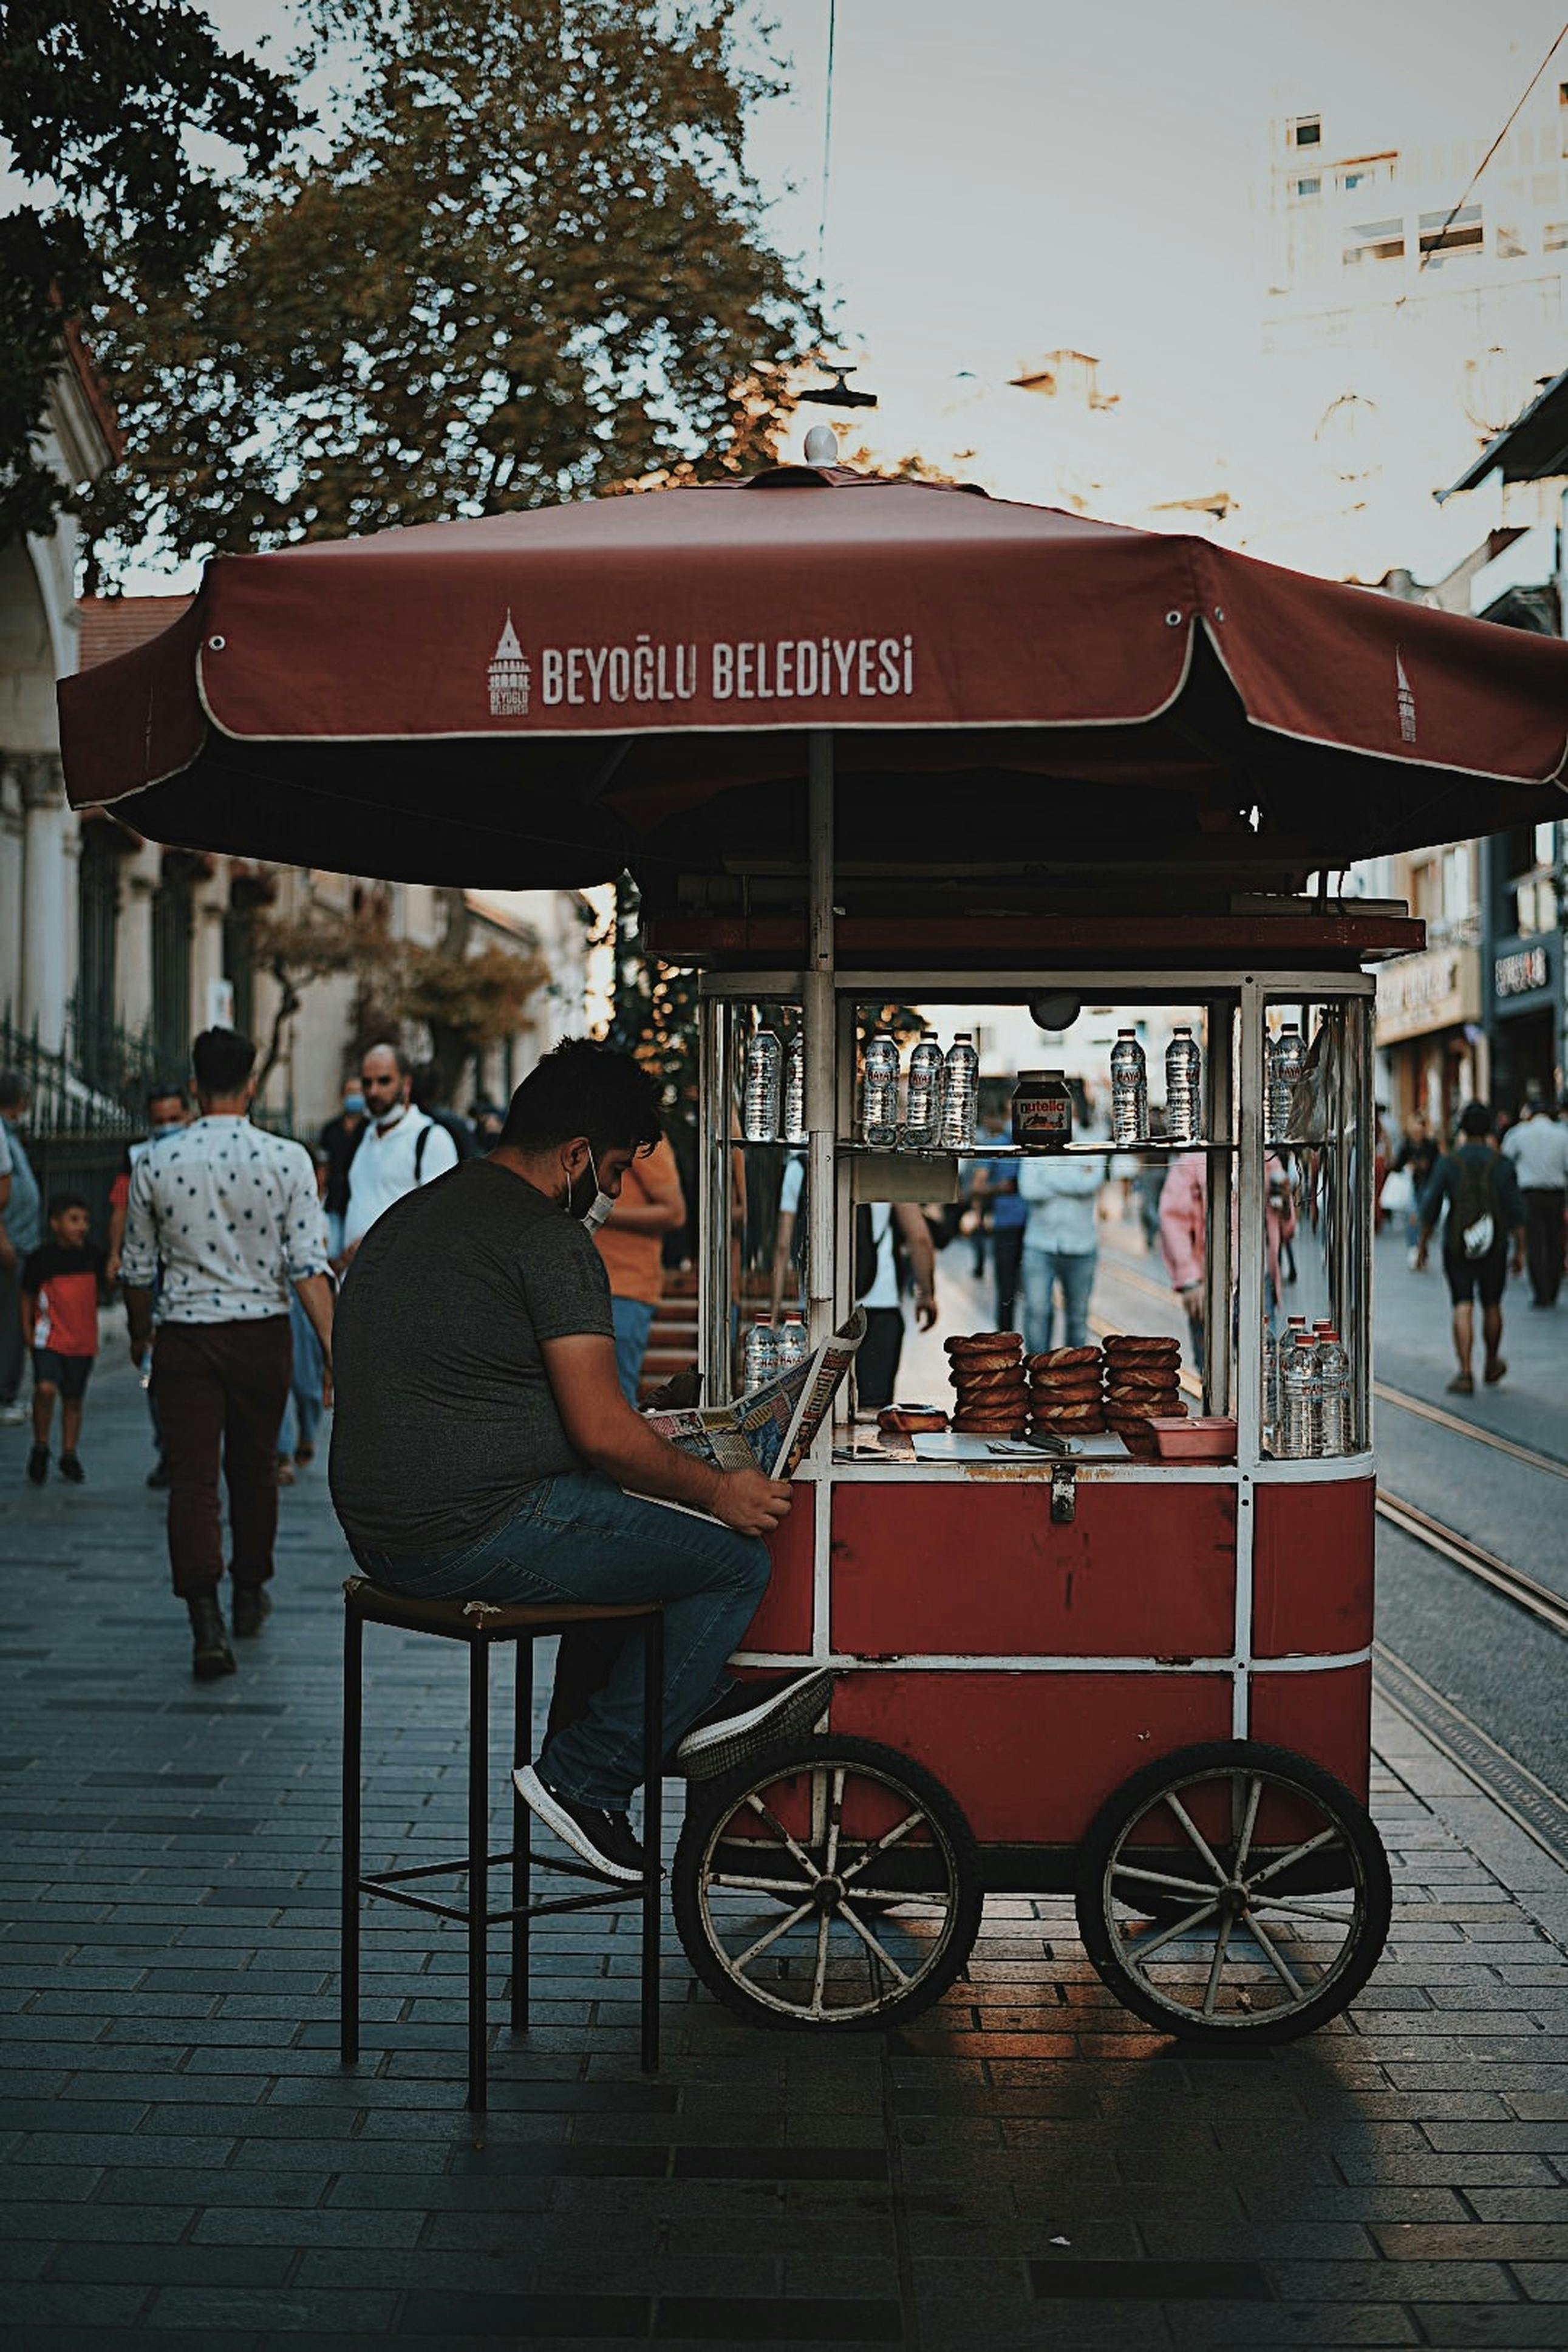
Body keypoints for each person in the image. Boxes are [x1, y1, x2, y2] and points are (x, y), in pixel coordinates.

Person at [329, 1039, 832, 1887]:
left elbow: (518, 1396)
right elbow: (600, 1432)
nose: (614, 1193)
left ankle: (658, 1713)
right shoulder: (547, 1241)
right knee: (728, 1560)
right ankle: (588, 1772)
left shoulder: (415, 1213)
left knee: (638, 1535)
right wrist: (721, 1489)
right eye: (610, 1172)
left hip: (379, 1528)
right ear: (571, 1157)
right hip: (468, 1529)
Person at [121, 1028, 336, 1680]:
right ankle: (249, 1590)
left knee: (191, 1481)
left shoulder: (154, 1162)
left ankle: (203, 1617)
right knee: (253, 1469)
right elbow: (306, 1265)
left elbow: (135, 1268)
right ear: (251, 1087)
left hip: (185, 1336)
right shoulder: (288, 1160)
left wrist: (140, 1337)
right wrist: (334, 1348)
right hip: (260, 1335)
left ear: (192, 1087)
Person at [769, 1154, 937, 1411]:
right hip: (879, 1311)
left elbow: (782, 1248)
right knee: (873, 1412)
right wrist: (926, 1294)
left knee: (817, 1411)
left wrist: (773, 1316)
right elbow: (920, 1239)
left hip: (817, 1310)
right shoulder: (885, 1168)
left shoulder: (801, 1168)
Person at [106, 1080, 191, 1487]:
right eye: (160, 1120)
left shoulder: (202, 1150)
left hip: (192, 1269)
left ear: (189, 1115)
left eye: (175, 1118)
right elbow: (120, 1208)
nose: (167, 1126)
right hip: (153, 1273)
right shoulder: (137, 1156)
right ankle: (170, 1450)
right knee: (154, 1364)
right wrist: (114, 1252)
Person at [1417, 1101, 1526, 1391]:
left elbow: (1431, 1206)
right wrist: (1521, 1252)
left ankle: (1465, 1372)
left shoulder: (1449, 1162)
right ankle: (1491, 1363)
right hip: (1496, 1244)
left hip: (1457, 1243)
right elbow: (1516, 1211)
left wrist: (1422, 1245)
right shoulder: (1502, 1164)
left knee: (1462, 1304)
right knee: (1492, 1304)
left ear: (1462, 1129)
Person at [1158, 1150, 1297, 1374]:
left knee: (1261, 1365)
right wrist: (1190, 1277)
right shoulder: (1193, 1162)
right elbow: (1173, 1221)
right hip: (1209, 1283)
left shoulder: (1267, 1160)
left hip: (1258, 1281)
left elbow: (1287, 1230)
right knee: (1211, 1368)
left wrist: (1287, 1207)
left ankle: (1256, 1409)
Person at [338, 1043, 459, 1265]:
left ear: (406, 1084)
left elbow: (442, 1221)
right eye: (367, 1083)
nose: (374, 1091)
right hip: (356, 1283)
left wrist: (376, 1244)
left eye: (384, 1081)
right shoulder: (363, 1136)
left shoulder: (431, 1138)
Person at [591, 1132, 687, 1402]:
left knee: (616, 1400)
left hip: (626, 1288)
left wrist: (601, 1212)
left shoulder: (642, 1139)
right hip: (592, 1285)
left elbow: (674, 1212)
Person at [21, 1193, 106, 1485]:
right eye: (73, 1220)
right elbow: (27, 1295)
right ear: (55, 1224)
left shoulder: (94, 1257)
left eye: (85, 1221)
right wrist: (28, 1330)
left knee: (73, 1398)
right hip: (50, 1336)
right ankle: (41, 1445)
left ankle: (69, 1452)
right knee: (45, 1388)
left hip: (82, 1339)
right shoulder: (41, 1259)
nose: (81, 1227)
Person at [1019, 1147, 1106, 1355]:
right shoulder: (1034, 1144)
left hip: (1082, 1246)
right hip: (1040, 1243)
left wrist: (1047, 1175)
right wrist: (1075, 1177)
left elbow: (1091, 1183)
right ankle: (1038, 1371)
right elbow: (1029, 1189)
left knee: (1078, 1317)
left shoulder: (1091, 1141)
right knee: (1037, 1311)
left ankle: (1073, 1375)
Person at [0, 1071, 43, 1425]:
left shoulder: (8, 1133)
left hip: (19, 1239)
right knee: (10, 1322)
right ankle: (5, 1395)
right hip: (9, 1241)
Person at [1502, 1088, 1568, 1309]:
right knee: (1555, 1240)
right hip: (1556, 1192)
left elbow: (1506, 1160)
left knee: (1535, 1241)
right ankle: (1553, 1287)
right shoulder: (1562, 1133)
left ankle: (1540, 1291)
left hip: (1529, 1193)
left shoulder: (1519, 1133)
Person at [972, 1153, 1026, 1331]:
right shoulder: (997, 1147)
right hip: (1006, 1228)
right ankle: (1005, 1338)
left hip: (1034, 1229)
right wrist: (1001, 1188)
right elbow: (977, 1187)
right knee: (1006, 1289)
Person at [318, 1078, 367, 1260]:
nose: (354, 1097)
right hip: (335, 1203)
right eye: (350, 1092)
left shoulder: (369, 1130)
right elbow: (324, 1168)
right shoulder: (331, 1130)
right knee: (332, 1255)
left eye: (358, 1092)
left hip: (360, 1202)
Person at [1393, 1111, 1441, 1271]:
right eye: (1415, 1128)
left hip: (1428, 1186)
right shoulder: (1406, 1145)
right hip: (1412, 1186)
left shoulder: (1431, 1145)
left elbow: (1438, 1165)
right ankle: (1414, 1249)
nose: (1417, 1131)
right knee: (1413, 1216)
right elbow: (1396, 1166)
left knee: (1426, 1218)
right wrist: (1410, 1165)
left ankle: (1422, 1248)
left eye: (1420, 1128)